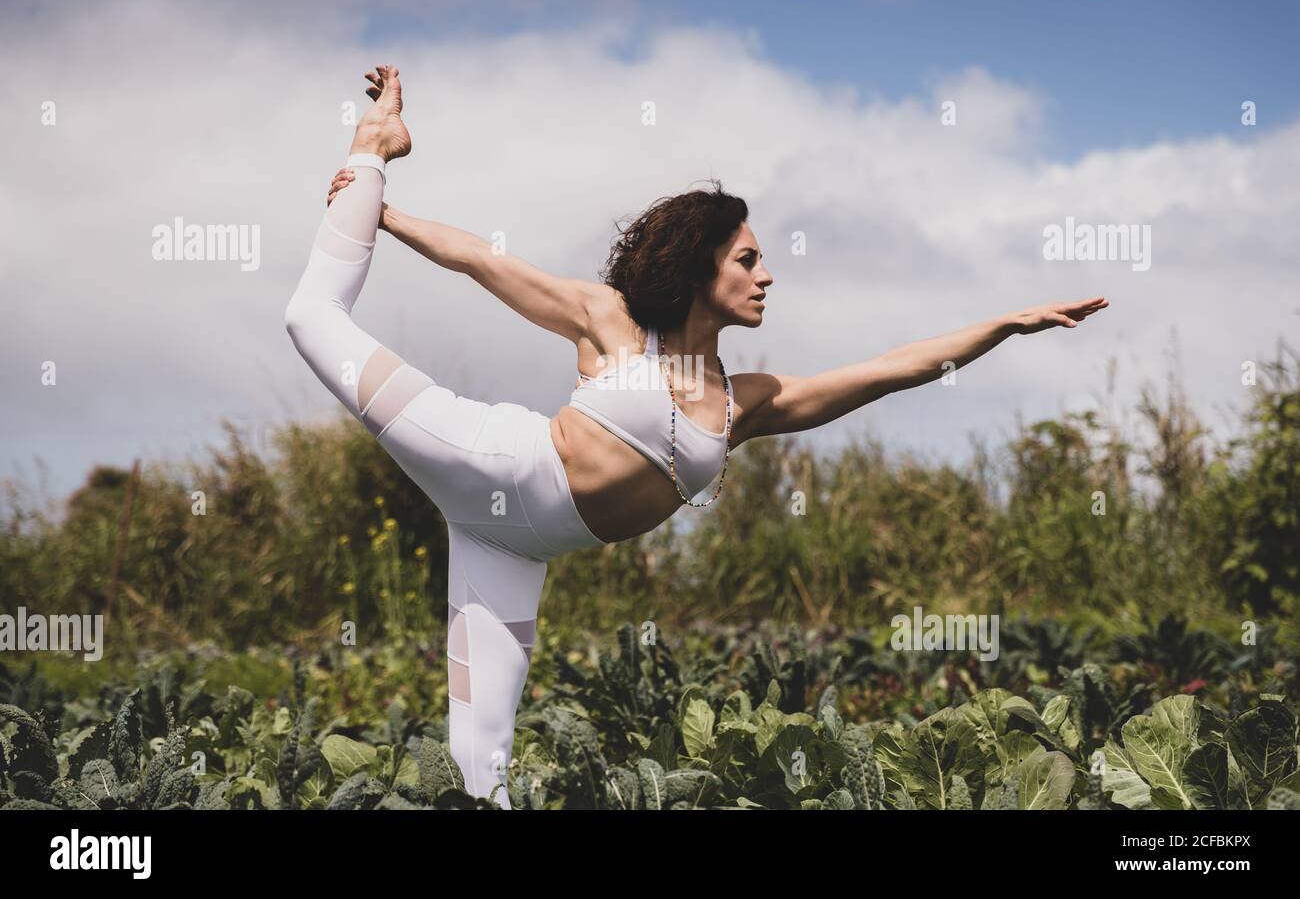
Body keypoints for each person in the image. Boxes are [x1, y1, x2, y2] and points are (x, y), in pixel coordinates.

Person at [285, 64, 1110, 808]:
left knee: (480, 766)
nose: (767, 276)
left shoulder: (744, 403)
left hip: (512, 548)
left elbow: (893, 367)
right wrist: (379, 208)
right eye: (748, 259)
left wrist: (1003, 323)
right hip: (486, 458)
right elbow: (482, 262)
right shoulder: (610, 326)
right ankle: (374, 142)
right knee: (311, 316)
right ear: (700, 264)